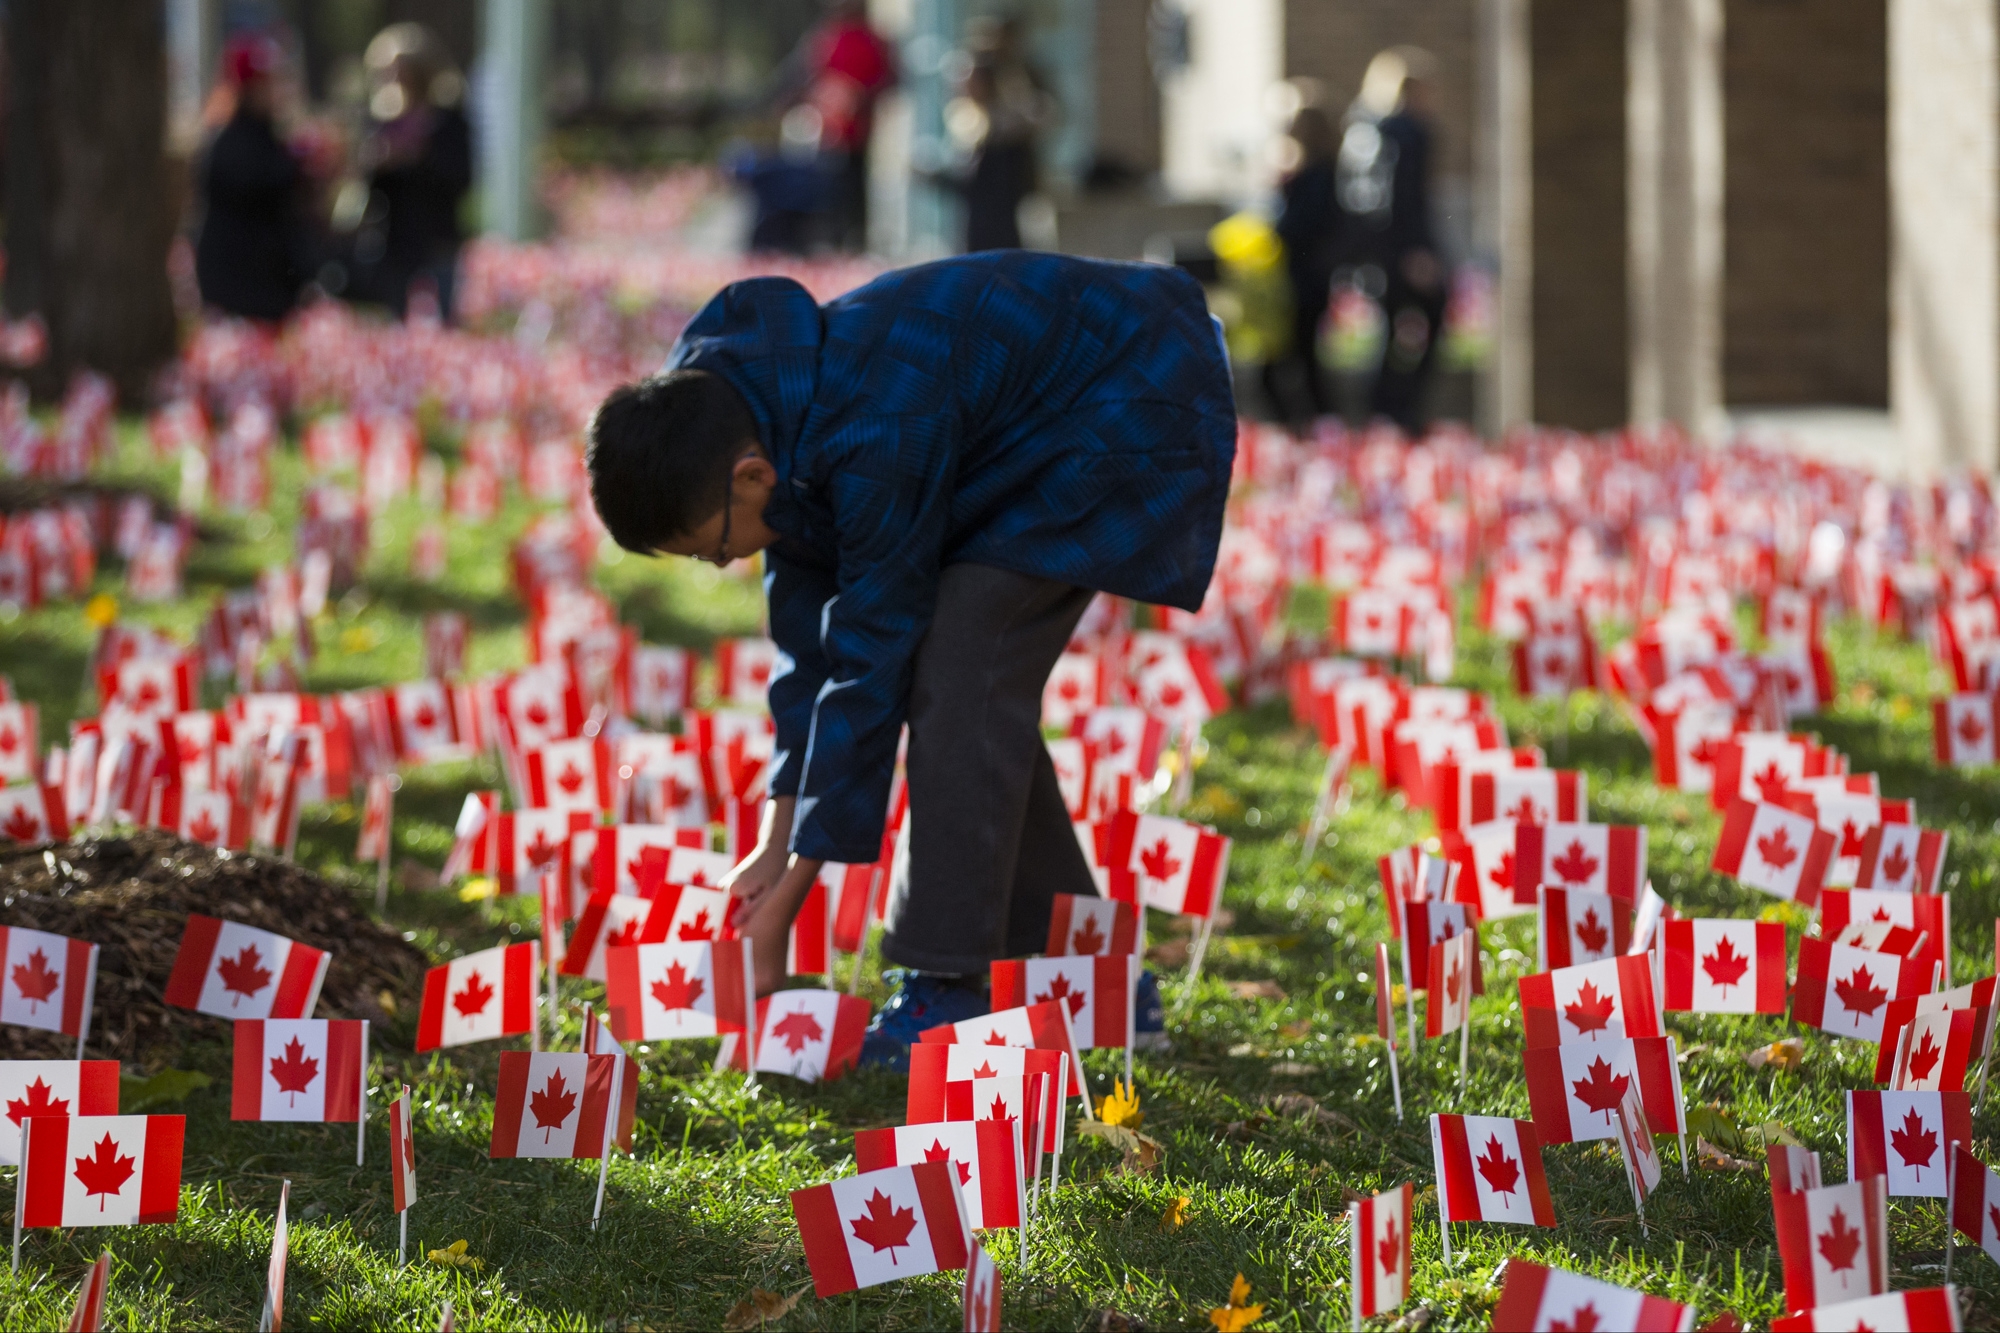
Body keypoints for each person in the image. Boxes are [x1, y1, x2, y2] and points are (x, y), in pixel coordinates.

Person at [584, 252, 1236, 1068]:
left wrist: (785, 905)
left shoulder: (869, 426)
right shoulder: (744, 411)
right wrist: (773, 835)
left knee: (964, 665)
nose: (721, 566)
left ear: (753, 476)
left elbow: (869, 666)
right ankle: (1090, 981)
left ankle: (948, 987)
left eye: (714, 549)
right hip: (1013, 425)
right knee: (971, 683)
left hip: (1122, 398)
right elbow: (809, 653)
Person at [1337, 48, 1446, 435]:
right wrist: (1418, 250)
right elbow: (1408, 196)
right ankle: (1399, 410)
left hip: (1374, 251)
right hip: (1406, 249)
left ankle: (1381, 410)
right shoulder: (1408, 131)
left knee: (1386, 330)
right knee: (1430, 320)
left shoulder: (1362, 130)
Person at [353, 24, 472, 321]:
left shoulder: (447, 122)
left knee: (444, 320)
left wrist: (418, 157)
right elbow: (370, 188)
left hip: (437, 238)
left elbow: (461, 177)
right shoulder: (382, 122)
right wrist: (378, 163)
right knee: (395, 320)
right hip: (395, 241)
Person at [194, 34, 307, 323]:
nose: (277, 92)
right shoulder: (231, 141)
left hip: (268, 282)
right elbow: (258, 188)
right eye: (269, 83)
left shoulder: (267, 135)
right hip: (243, 284)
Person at [942, 19, 1054, 252]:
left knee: (1008, 227)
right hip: (982, 160)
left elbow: (1041, 113)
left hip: (1011, 158)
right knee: (978, 227)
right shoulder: (975, 66)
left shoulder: (1022, 72)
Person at [793, 0, 896, 251]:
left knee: (855, 182)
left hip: (858, 127)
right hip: (831, 126)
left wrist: (859, 97)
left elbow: (886, 78)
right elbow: (812, 76)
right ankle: (829, 235)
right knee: (828, 183)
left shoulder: (872, 40)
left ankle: (855, 236)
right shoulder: (827, 38)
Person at [1263, 102, 1343, 426]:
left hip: (1303, 278)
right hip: (1307, 276)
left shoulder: (1317, 175)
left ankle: (1312, 427)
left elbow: (1295, 226)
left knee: (1292, 361)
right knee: (1303, 360)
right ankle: (1315, 425)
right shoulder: (1319, 172)